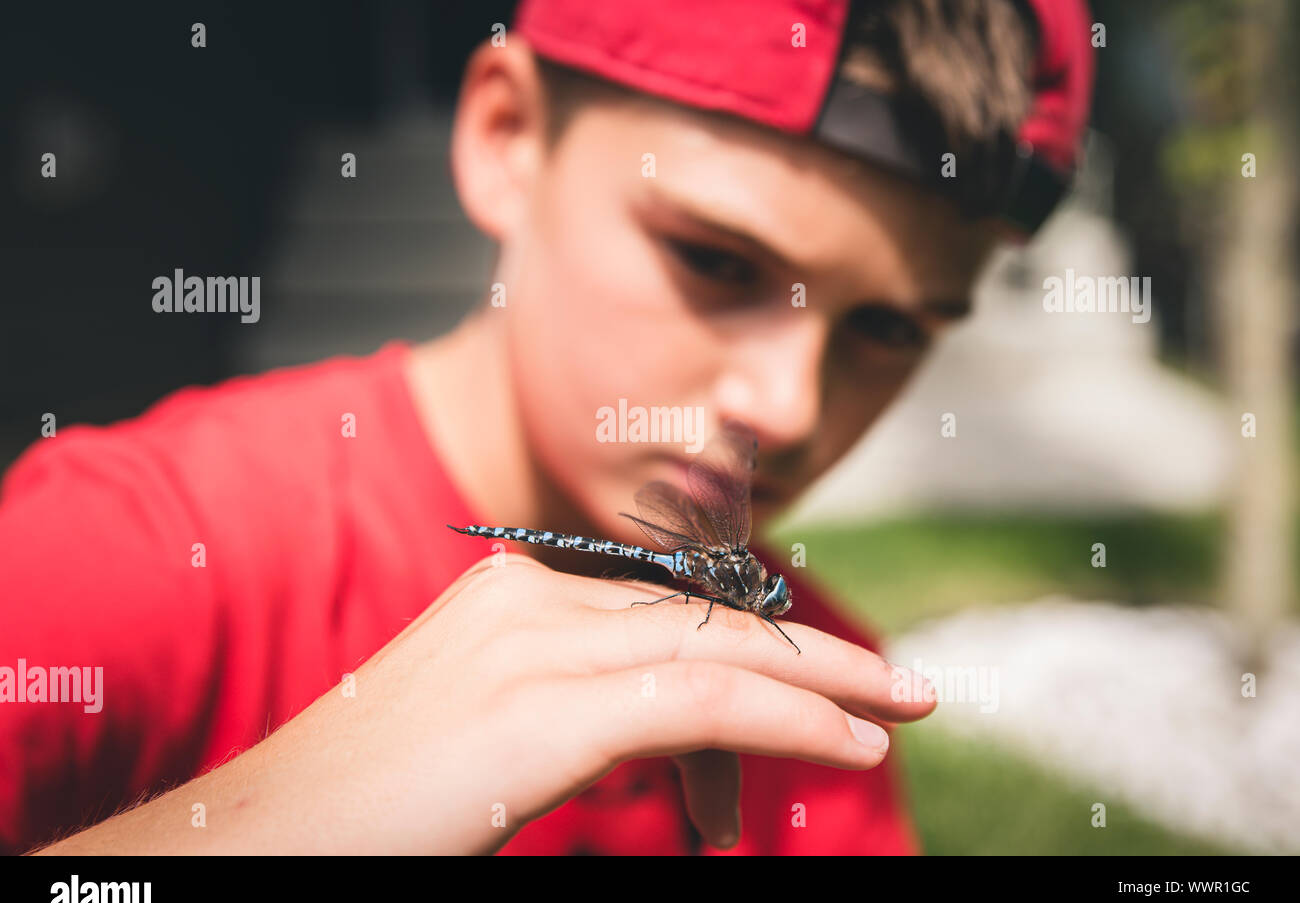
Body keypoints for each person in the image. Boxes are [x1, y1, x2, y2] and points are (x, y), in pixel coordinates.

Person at [0, 0, 1094, 855]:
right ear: (505, 137)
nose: (786, 403)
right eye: (716, 261)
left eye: (890, 328)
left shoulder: (814, 712)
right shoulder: (115, 556)